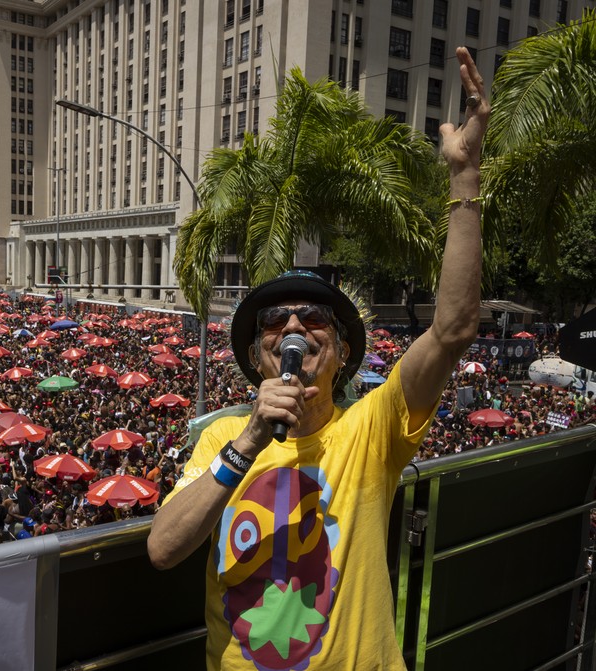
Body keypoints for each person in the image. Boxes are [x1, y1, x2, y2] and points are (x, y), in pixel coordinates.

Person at [147, 48, 489, 671]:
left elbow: (454, 329)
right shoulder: (222, 438)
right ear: (257, 353)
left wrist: (463, 177)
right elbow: (164, 549)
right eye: (275, 321)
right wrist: (250, 438)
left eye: (315, 320)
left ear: (341, 352)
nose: (295, 327)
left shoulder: (370, 428)